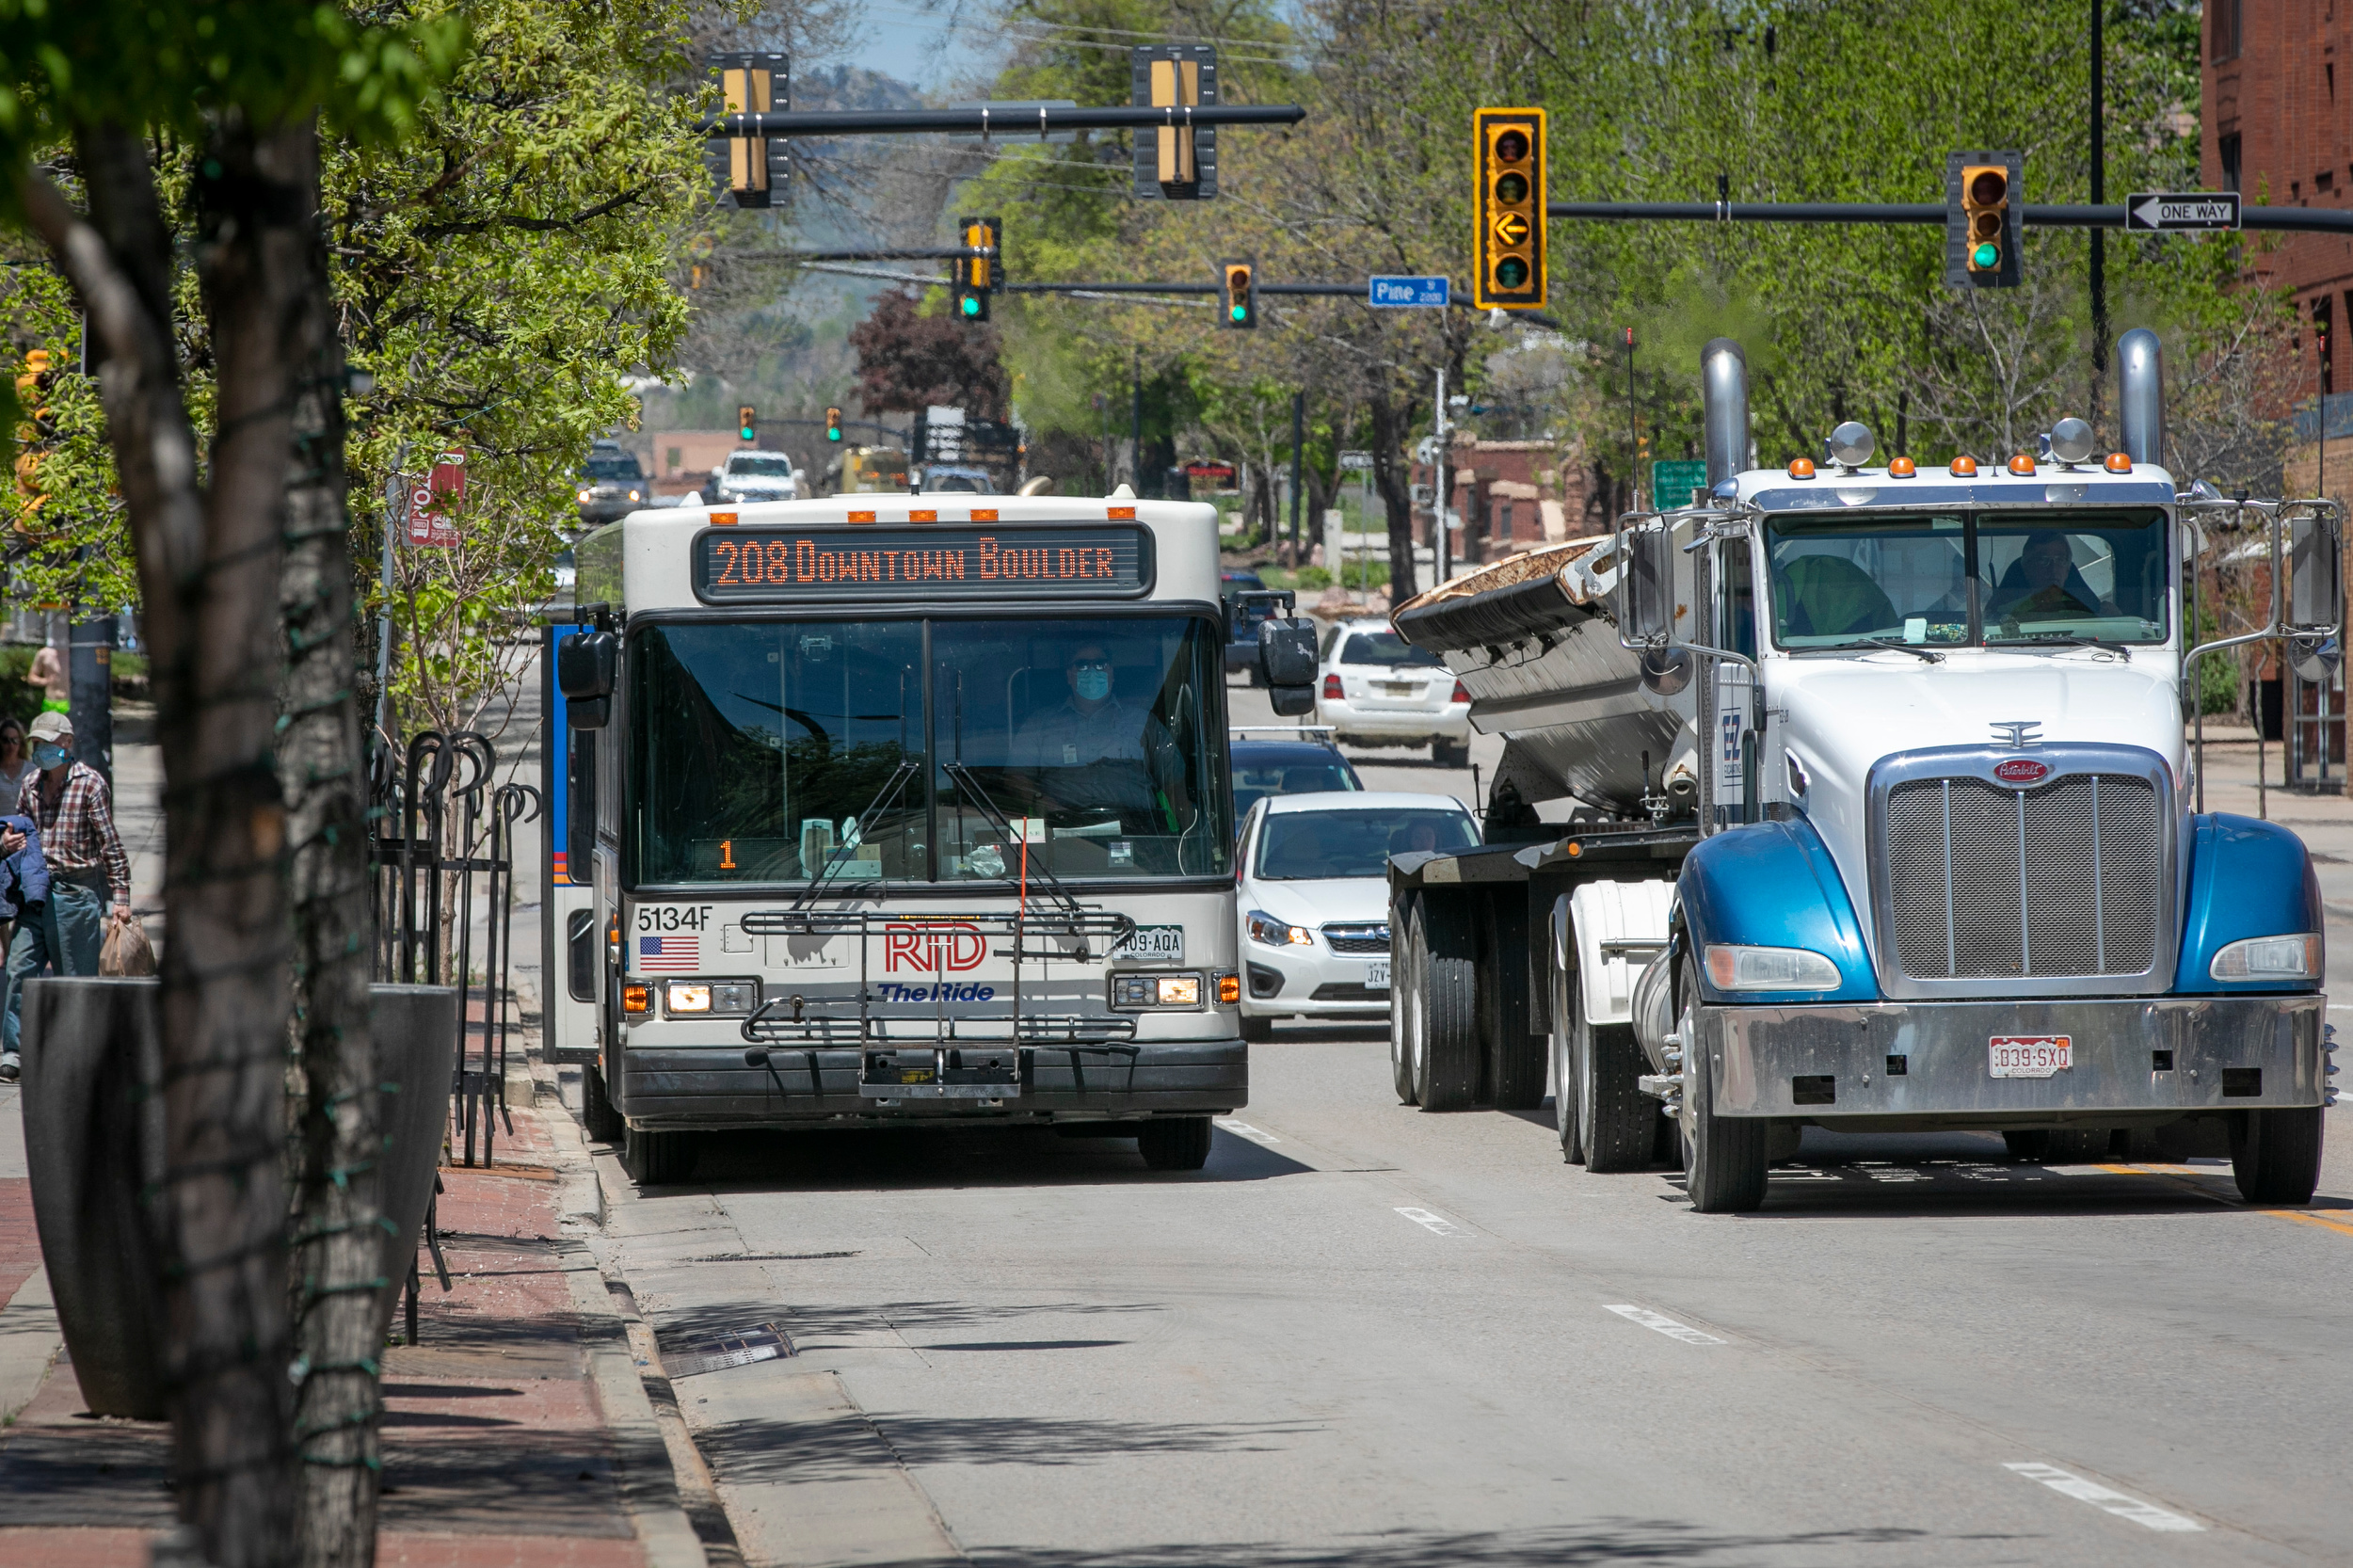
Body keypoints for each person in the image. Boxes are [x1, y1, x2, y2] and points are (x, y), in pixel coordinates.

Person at [0, 712, 132, 1081]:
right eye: (36, 744)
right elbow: (21, 832)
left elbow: (110, 843)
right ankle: (15, 1050)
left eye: (48, 743)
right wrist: (5, 843)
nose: (40, 750)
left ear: (67, 744)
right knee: (19, 969)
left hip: (77, 892)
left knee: (75, 978)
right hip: (36, 890)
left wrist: (120, 895)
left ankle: (79, 1053)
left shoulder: (90, 784)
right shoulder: (30, 784)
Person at [1012, 641, 1193, 825]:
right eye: (1082, 665)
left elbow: (1174, 783)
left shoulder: (1143, 722)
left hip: (1137, 831)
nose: (1092, 671)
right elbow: (1016, 777)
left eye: (1100, 664)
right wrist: (1040, 800)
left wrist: (1192, 837)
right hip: (1063, 832)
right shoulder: (1041, 724)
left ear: (1111, 673)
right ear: (1069, 676)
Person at [1987, 530, 2104, 623]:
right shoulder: (2006, 615)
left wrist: (2110, 616)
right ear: (2027, 569)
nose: (2053, 568)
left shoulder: (2087, 613)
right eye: (2043, 560)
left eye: (2060, 560)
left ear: (2068, 570)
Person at [24, 641, 67, 715]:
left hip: (68, 701)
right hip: (50, 701)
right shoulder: (44, 653)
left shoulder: (75, 652)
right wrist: (46, 681)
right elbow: (31, 677)